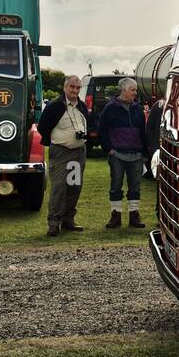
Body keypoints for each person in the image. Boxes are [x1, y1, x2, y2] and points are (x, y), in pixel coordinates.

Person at [37, 74, 89, 237]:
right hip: (61, 153)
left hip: (78, 153)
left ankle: (68, 220)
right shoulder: (55, 106)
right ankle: (53, 223)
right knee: (59, 188)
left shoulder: (81, 106)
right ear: (65, 88)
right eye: (72, 87)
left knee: (74, 187)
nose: (75, 90)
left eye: (77, 87)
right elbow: (42, 127)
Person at [98, 77, 146, 229]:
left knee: (135, 187)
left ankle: (134, 216)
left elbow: (143, 131)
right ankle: (115, 215)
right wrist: (109, 149)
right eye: (133, 90)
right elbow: (101, 130)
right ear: (124, 90)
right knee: (116, 185)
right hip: (117, 154)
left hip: (136, 154)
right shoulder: (110, 108)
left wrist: (144, 151)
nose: (135, 93)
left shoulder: (137, 108)